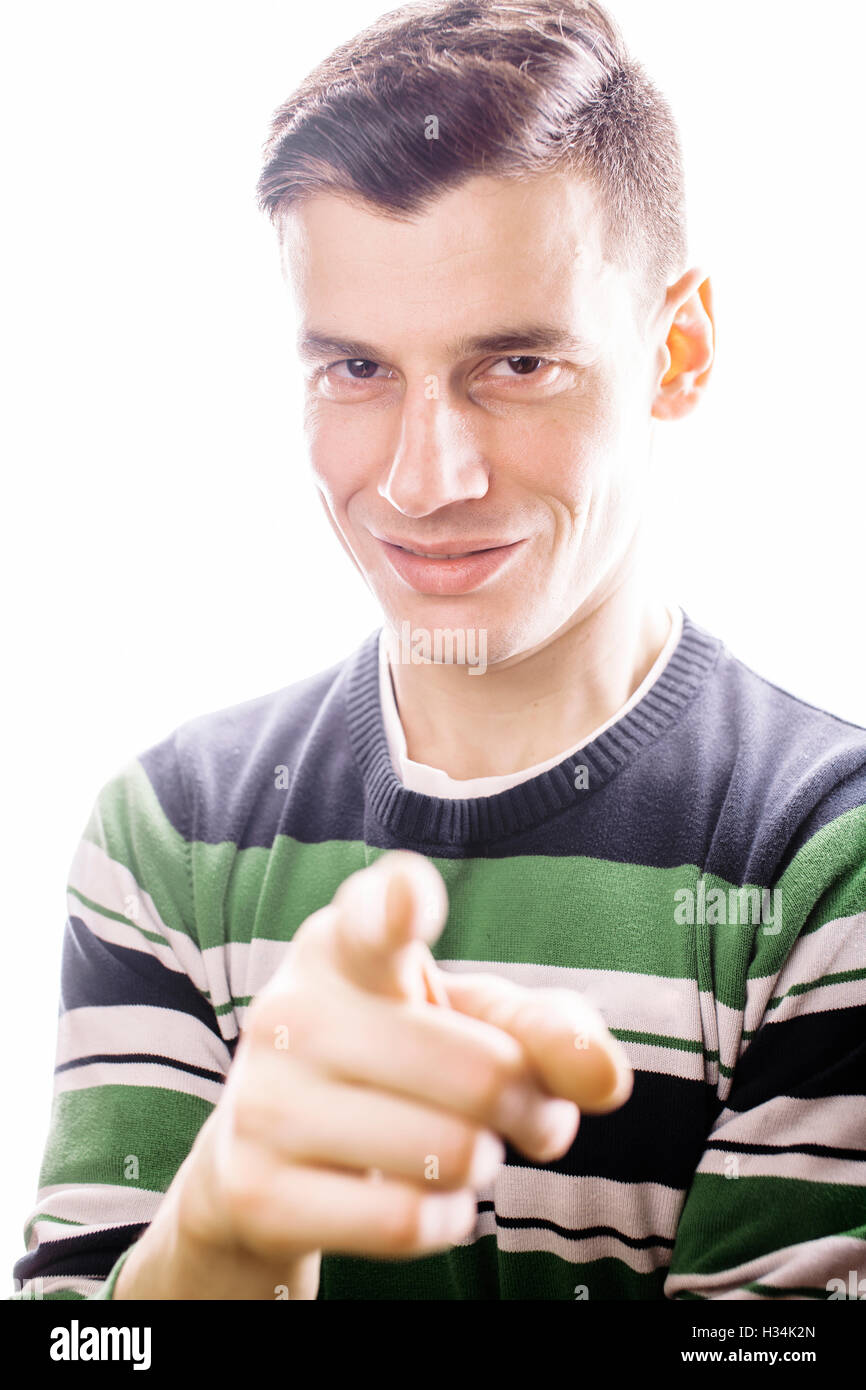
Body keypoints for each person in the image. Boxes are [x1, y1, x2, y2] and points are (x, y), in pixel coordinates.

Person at [14, 0, 866, 1302]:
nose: (422, 480)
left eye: (515, 362)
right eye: (356, 366)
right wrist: (218, 1244)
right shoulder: (169, 837)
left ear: (675, 350)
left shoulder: (827, 853)